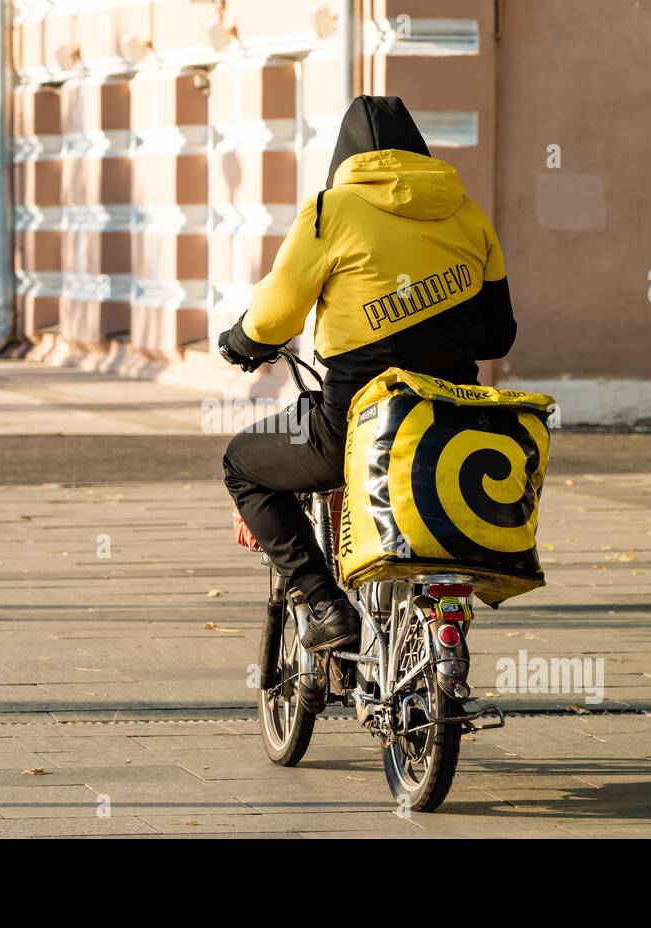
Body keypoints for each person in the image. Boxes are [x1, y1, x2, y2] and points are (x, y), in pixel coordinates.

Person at [220, 95, 517, 652]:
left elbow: (272, 320)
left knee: (244, 466)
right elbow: (499, 334)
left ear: (344, 158)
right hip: (452, 426)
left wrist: (241, 341)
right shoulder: (470, 214)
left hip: (358, 427)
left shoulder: (329, 212)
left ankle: (327, 606)